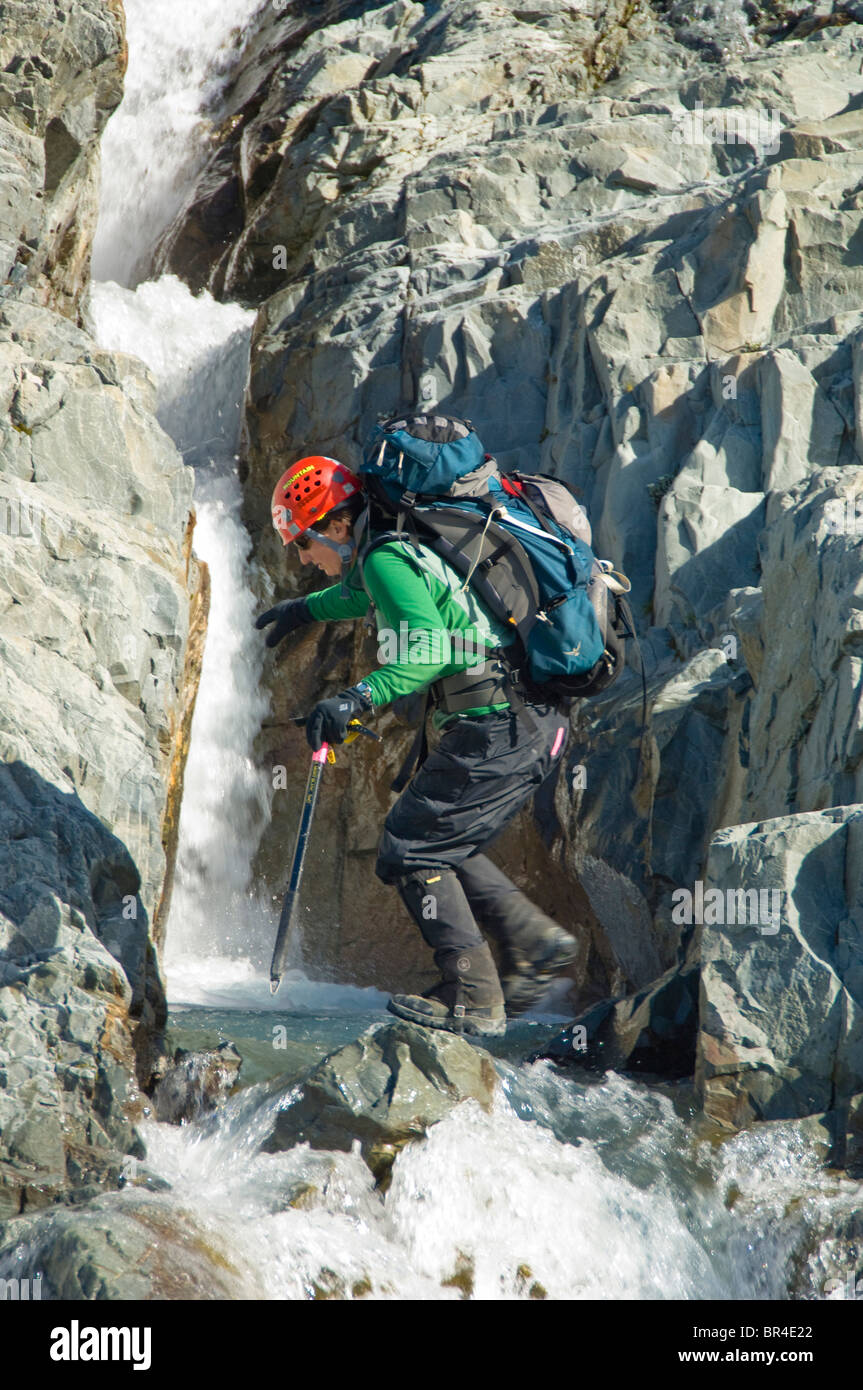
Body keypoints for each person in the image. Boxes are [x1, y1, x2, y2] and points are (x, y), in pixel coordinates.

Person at [255, 449, 578, 1038]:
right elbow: (364, 596)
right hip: (529, 721)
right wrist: (306, 608)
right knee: (436, 837)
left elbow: (425, 650)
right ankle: (533, 944)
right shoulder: (395, 549)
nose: (303, 557)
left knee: (411, 850)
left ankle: (475, 996)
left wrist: (356, 699)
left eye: (303, 544)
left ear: (335, 524)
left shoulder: (385, 556)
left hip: (498, 724)